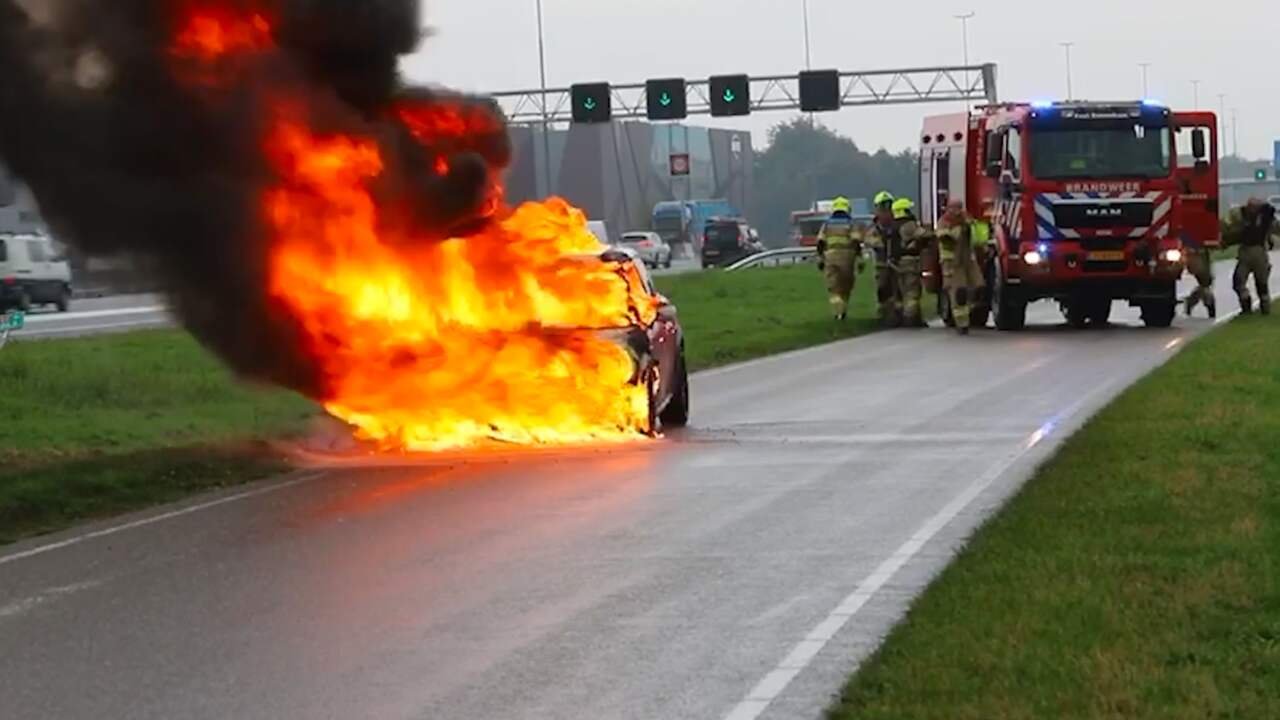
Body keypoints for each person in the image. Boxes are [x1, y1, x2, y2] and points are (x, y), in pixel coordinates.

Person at [935, 199, 987, 335]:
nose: (958, 211)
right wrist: (958, 228)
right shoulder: (944, 222)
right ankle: (962, 323)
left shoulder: (967, 219)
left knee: (979, 287)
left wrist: (973, 227)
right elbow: (945, 238)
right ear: (948, 208)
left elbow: (978, 235)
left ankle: (969, 311)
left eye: (959, 207)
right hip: (952, 262)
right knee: (959, 292)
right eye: (954, 208)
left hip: (968, 260)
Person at [1223, 198, 1277, 315]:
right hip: (1253, 252)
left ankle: (1257, 307)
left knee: (1255, 283)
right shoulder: (1259, 219)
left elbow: (1234, 235)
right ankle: (1254, 307)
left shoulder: (1257, 219)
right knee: (1246, 282)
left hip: (1253, 251)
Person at [815, 196, 863, 320]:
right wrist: (860, 258)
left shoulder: (827, 224)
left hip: (830, 256)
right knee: (846, 286)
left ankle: (838, 310)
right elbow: (856, 241)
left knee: (833, 288)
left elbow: (820, 242)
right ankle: (843, 311)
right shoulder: (850, 223)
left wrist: (820, 257)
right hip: (848, 257)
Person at [891, 198, 928, 328]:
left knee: (900, 292)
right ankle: (910, 319)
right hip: (910, 261)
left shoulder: (892, 226)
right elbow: (923, 235)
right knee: (912, 292)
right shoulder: (909, 225)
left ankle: (898, 318)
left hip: (895, 263)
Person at [1181, 231, 1217, 319]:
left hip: (1201, 251)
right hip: (1195, 252)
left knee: (1205, 282)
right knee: (1205, 282)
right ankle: (1208, 303)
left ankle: (1192, 302)